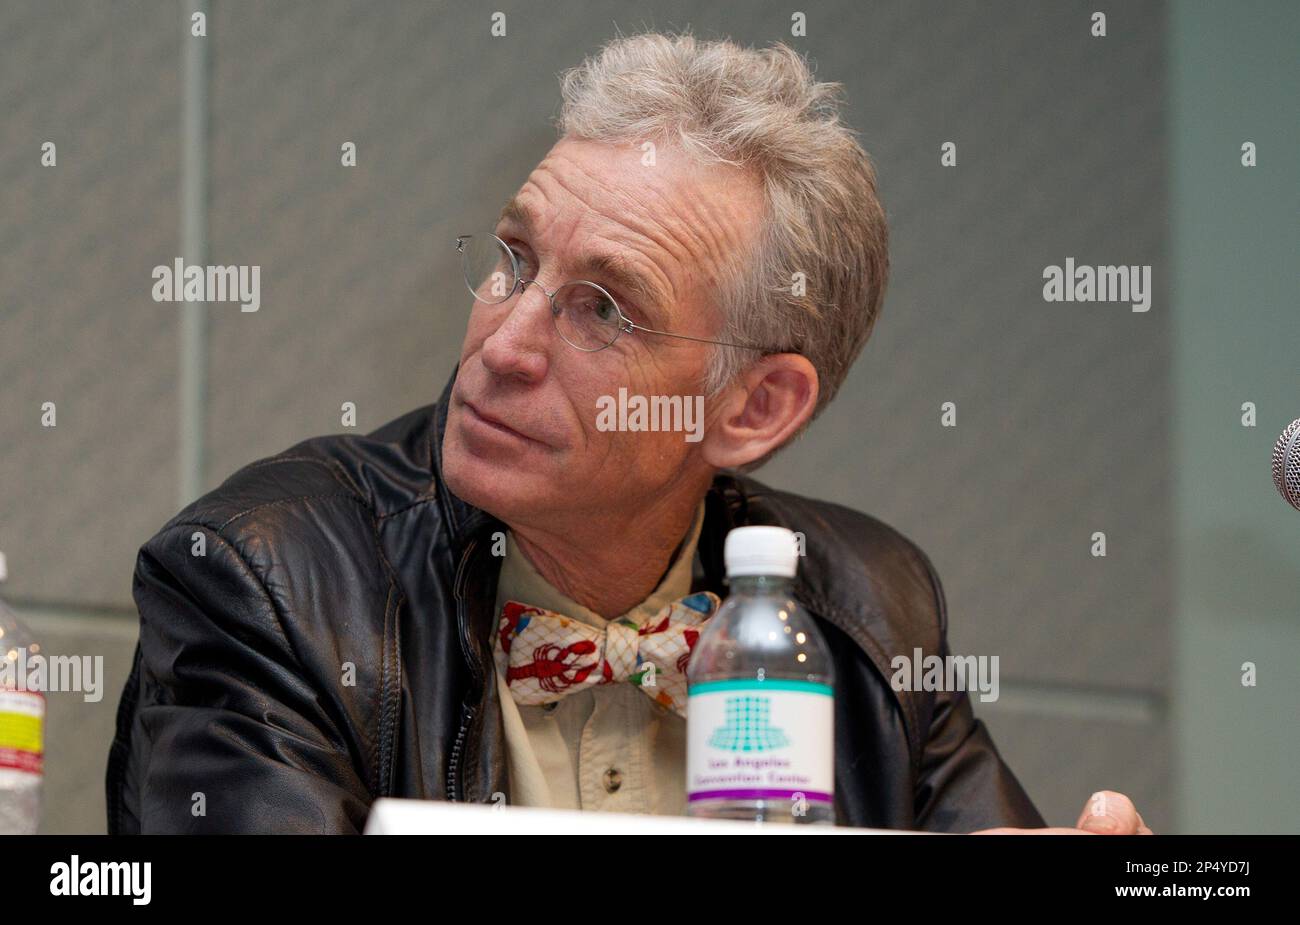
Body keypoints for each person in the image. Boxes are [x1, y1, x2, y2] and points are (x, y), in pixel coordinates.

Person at [106, 32, 1149, 835]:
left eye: (604, 307)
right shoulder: (273, 578)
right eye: (515, 259)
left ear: (754, 408)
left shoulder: (869, 610)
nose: (502, 344)